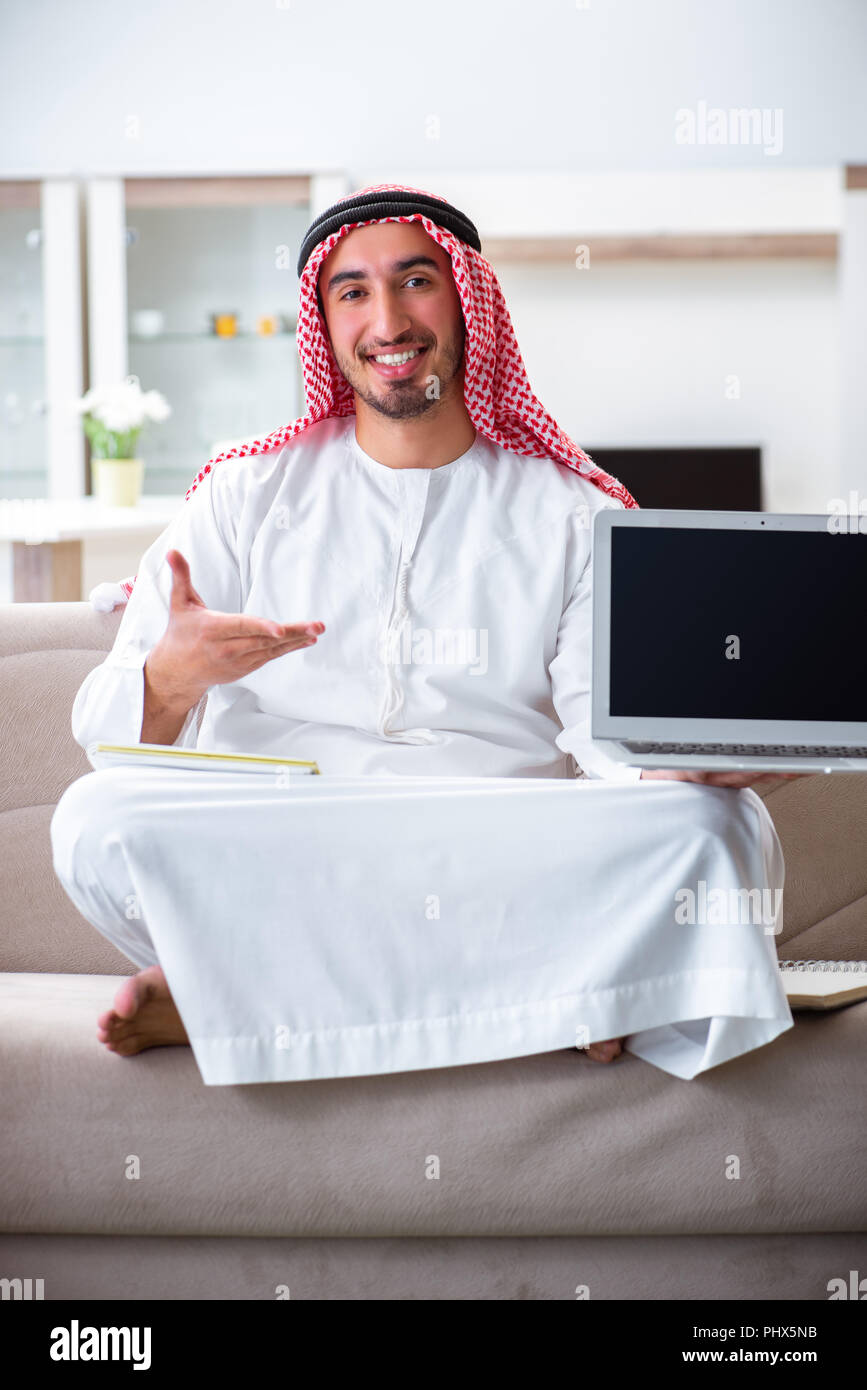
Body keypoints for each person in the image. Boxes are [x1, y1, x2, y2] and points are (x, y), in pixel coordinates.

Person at [50, 185, 799, 1086]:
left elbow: (606, 731)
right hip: (294, 838)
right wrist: (171, 681)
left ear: (468, 300)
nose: (388, 318)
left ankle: (239, 994)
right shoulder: (244, 497)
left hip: (493, 840)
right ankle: (550, 995)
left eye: (416, 279)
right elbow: (107, 739)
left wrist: (678, 760)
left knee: (712, 826)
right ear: (322, 325)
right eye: (353, 292)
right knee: (96, 819)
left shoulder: (572, 513)